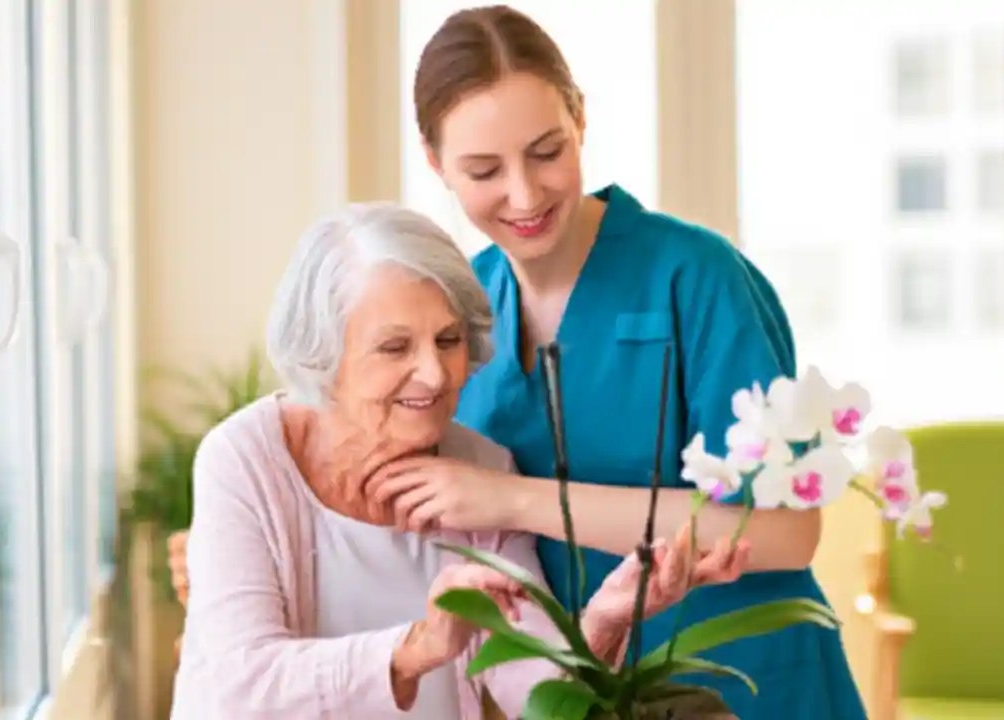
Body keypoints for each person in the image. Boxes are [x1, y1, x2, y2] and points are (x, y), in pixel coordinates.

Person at [365, 5, 866, 718]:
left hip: (751, 687)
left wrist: (511, 499)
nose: (525, 194)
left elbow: (787, 531)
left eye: (547, 151)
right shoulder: (452, 312)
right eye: (484, 169)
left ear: (580, 118)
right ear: (434, 160)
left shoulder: (696, 278)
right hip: (578, 698)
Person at [169, 203, 751, 719]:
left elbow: (541, 700)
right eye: (396, 347)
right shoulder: (244, 459)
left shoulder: (482, 470)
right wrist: (420, 646)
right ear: (322, 357)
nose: (435, 373)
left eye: (448, 340)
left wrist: (610, 614)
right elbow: (241, 686)